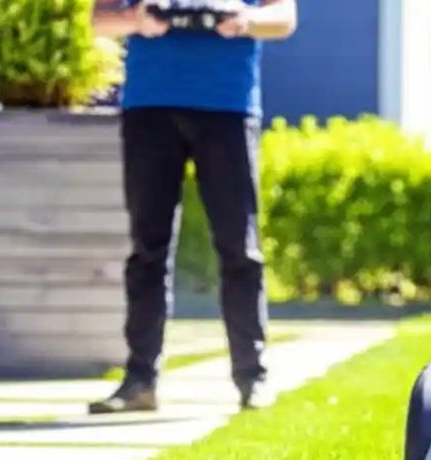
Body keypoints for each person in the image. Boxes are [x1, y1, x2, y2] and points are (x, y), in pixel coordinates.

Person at [88, 0, 298, 414]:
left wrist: (245, 20)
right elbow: (98, 19)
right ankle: (140, 382)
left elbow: (285, 17)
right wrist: (138, 20)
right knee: (148, 249)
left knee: (240, 247)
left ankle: (251, 377)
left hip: (228, 105)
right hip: (150, 104)